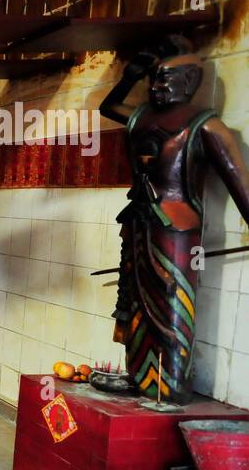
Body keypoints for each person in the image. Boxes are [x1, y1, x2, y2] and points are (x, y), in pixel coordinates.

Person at [99, 36, 249, 403]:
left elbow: (240, 182)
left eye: (164, 79)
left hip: (177, 232)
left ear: (190, 80)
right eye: (153, 79)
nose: (155, 87)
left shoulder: (205, 125)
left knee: (171, 305)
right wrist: (129, 76)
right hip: (138, 222)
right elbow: (110, 106)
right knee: (136, 304)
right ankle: (140, 375)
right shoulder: (141, 116)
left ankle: (169, 385)